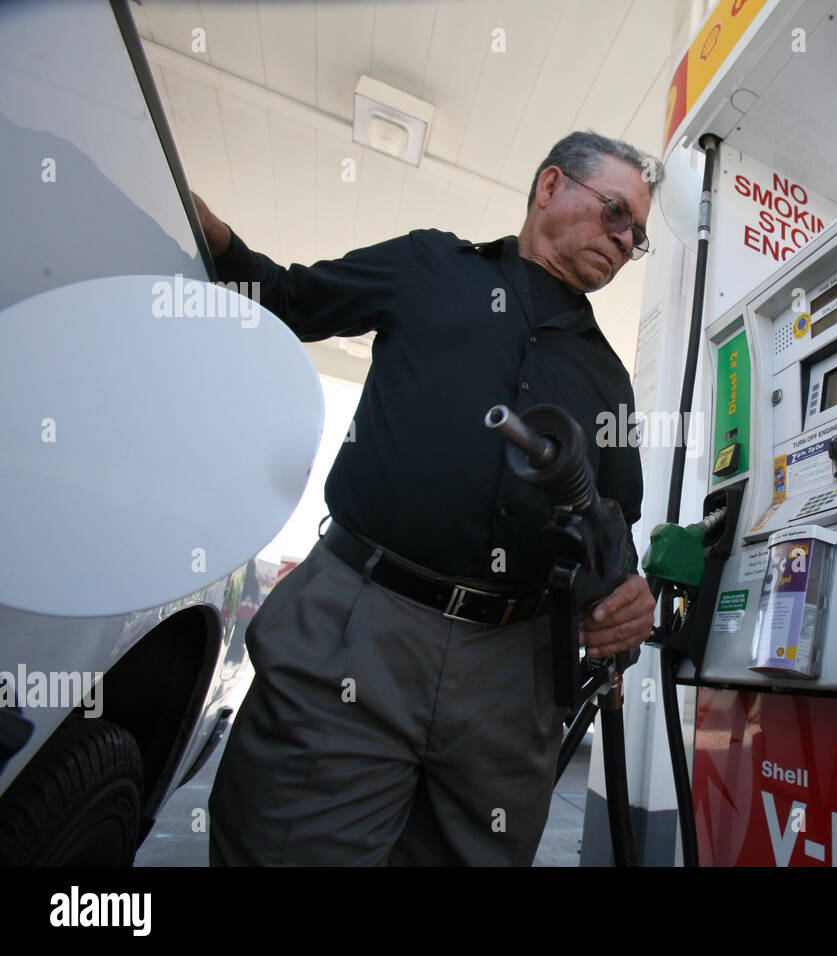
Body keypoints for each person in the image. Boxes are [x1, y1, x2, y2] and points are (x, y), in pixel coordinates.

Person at [200, 131, 660, 865]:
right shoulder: (428, 267)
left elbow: (615, 525)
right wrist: (215, 244)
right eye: (614, 211)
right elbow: (288, 299)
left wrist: (626, 595)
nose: (625, 237)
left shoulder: (610, 380)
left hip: (513, 675)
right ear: (549, 186)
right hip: (362, 627)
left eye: (636, 233)